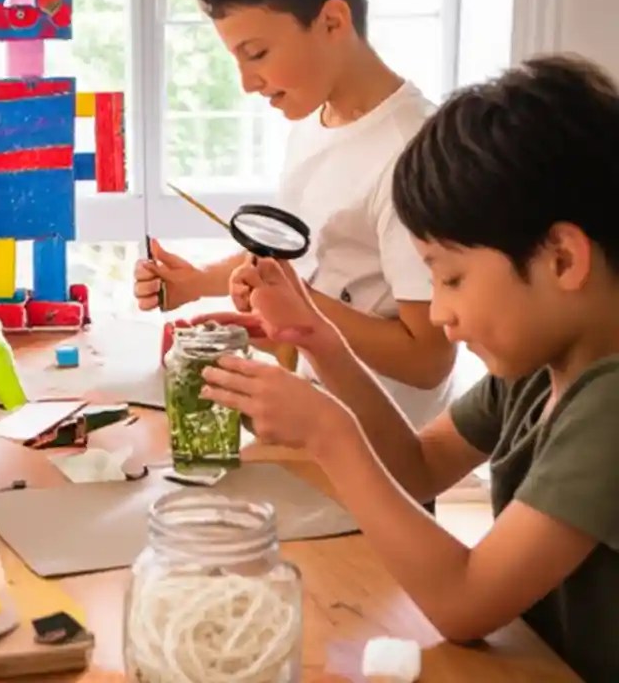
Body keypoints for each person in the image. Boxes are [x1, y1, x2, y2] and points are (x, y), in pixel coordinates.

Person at [197, 54, 619, 682]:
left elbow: (465, 603)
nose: (442, 312)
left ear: (561, 259)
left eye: (451, 278)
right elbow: (418, 464)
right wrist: (326, 344)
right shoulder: (538, 370)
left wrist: (329, 435)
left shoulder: (609, 403)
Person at [135, 0, 456, 430]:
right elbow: (303, 258)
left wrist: (300, 306)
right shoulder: (314, 117)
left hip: (385, 454)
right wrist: (196, 281)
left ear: (332, 22)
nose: (246, 83)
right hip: (314, 419)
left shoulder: (413, 153)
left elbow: (428, 363)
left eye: (257, 53)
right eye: (236, 59)